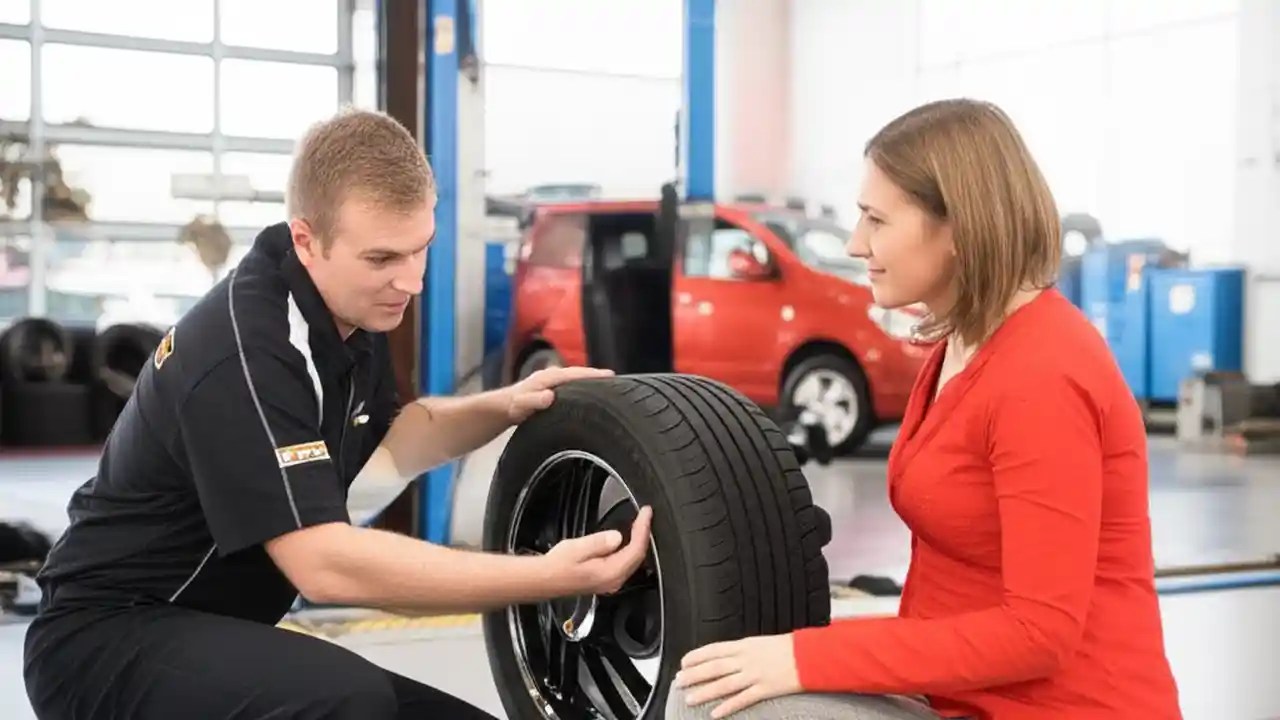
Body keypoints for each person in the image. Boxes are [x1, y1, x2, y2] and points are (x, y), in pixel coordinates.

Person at [22, 107, 653, 720]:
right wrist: (544, 576)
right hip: (102, 640)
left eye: (420, 249)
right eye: (383, 259)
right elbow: (324, 565)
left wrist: (511, 404)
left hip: (208, 633)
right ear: (307, 240)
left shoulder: (348, 309)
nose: (411, 282)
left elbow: (403, 437)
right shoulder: (248, 353)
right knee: (346, 702)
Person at [668, 98, 1182, 719]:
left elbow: (1040, 632)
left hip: (1063, 707)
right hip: (962, 696)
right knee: (708, 687)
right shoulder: (961, 343)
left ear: (960, 228)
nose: (856, 244)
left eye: (876, 220)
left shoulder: (1043, 373)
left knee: (718, 708)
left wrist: (806, 657)